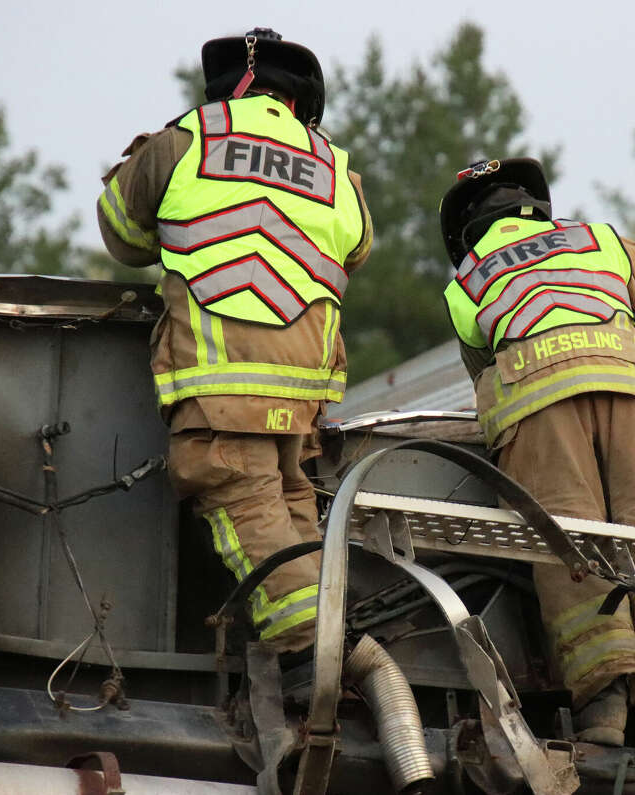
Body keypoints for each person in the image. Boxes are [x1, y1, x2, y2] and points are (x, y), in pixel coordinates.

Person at [97, 28, 372, 653]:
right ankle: (339, 651)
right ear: (302, 101)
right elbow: (355, 250)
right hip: (302, 389)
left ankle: (314, 654)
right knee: (292, 506)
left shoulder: (184, 141)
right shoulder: (337, 166)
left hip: (220, 379)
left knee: (242, 504)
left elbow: (122, 235)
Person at [438, 158, 635, 749]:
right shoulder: (603, 243)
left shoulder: (465, 285)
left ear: (467, 234)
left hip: (536, 409)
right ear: (537, 208)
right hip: (631, 389)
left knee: (570, 545)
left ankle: (604, 710)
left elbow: (484, 375)